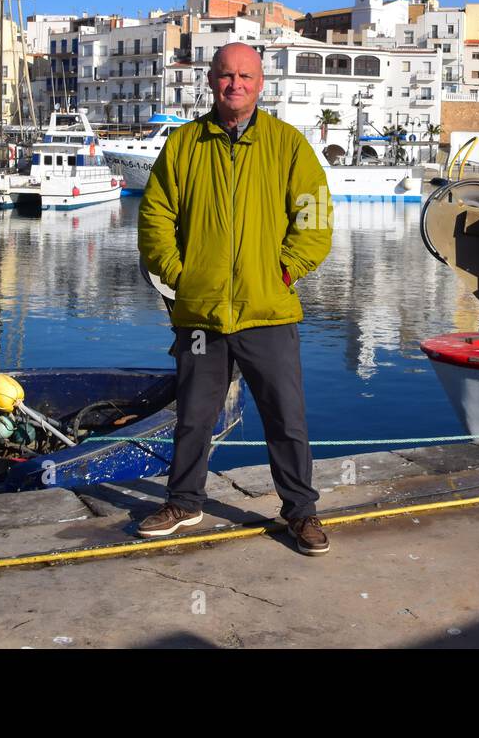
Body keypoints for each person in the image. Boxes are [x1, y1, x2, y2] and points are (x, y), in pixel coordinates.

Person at [137, 43, 333, 554]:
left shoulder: (289, 146)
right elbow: (155, 216)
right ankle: (184, 501)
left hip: (267, 312)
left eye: (245, 76)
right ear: (210, 81)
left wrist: (284, 271)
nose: (235, 84)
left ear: (261, 83)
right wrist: (182, 275)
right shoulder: (183, 145)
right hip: (201, 317)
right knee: (194, 415)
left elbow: (313, 220)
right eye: (226, 75)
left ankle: (301, 512)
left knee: (285, 417)